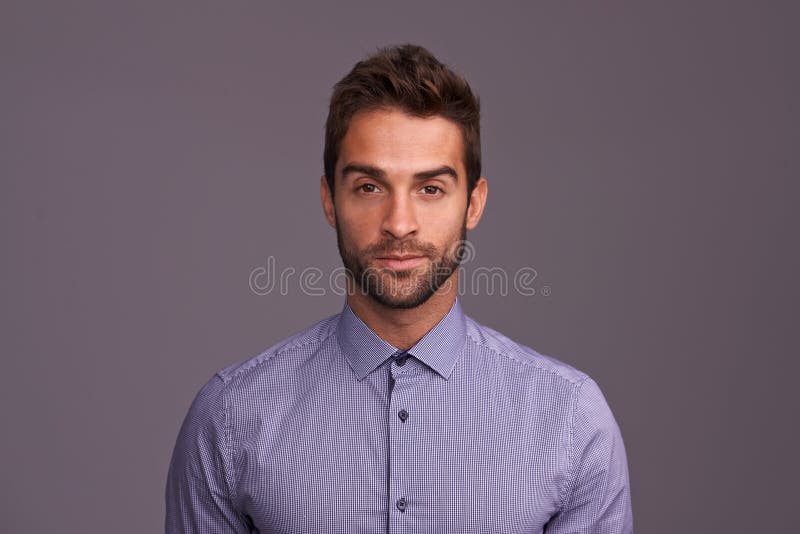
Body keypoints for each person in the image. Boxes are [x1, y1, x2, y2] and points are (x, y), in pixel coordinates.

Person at [166, 44, 633, 533]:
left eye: (431, 188)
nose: (399, 224)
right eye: (370, 186)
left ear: (473, 203)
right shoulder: (230, 416)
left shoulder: (570, 418)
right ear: (329, 201)